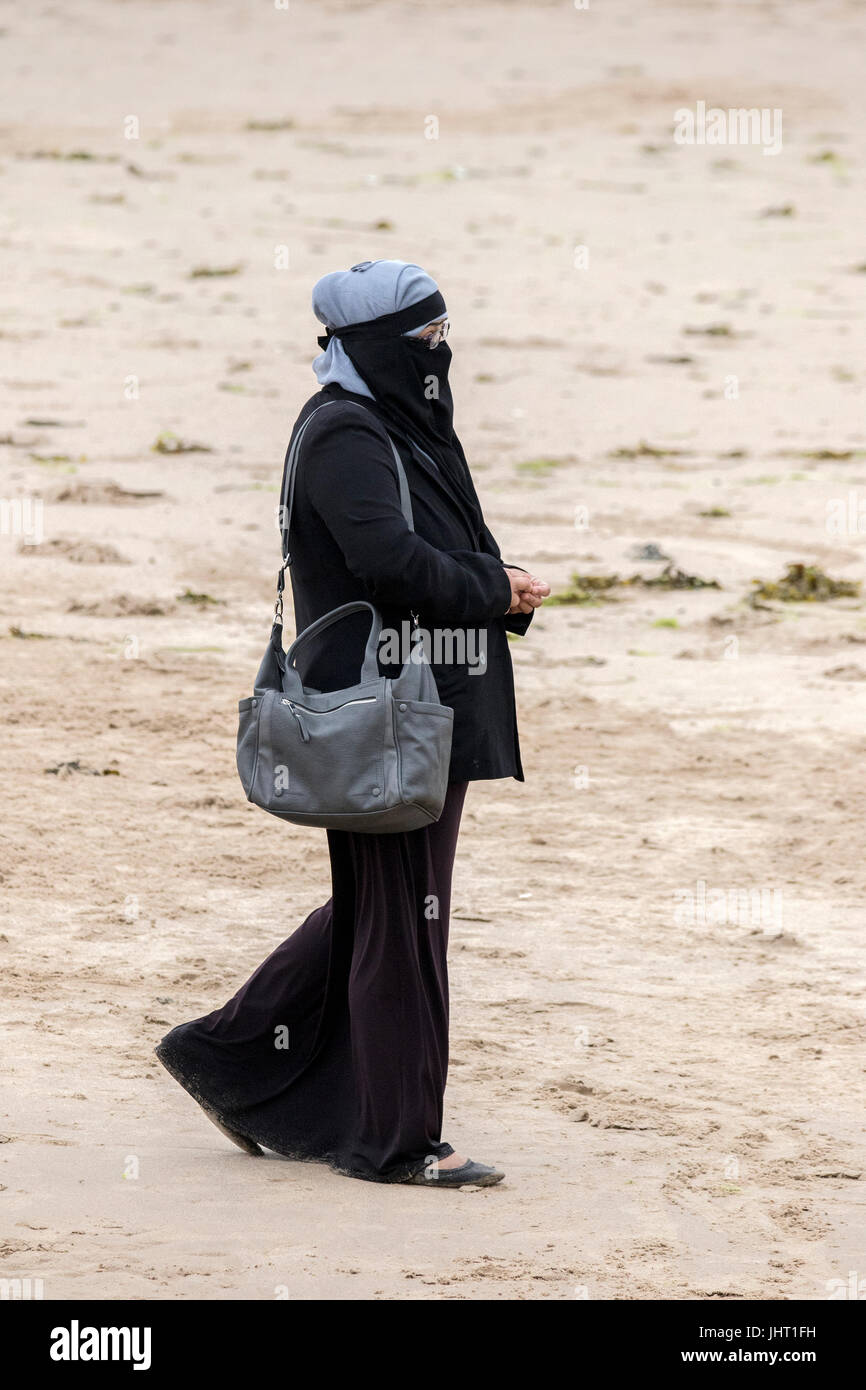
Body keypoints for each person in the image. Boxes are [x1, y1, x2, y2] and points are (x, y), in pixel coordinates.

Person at [155, 259, 550, 1187]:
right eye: (425, 341)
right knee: (404, 920)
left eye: (445, 335)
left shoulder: (387, 417)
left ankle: (230, 1052)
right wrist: (495, 588)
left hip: (417, 708)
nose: (441, 355)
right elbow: (389, 563)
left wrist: (500, 586)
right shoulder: (348, 431)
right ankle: (396, 1141)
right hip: (389, 717)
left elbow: (425, 547)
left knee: (385, 908)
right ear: (374, 347)